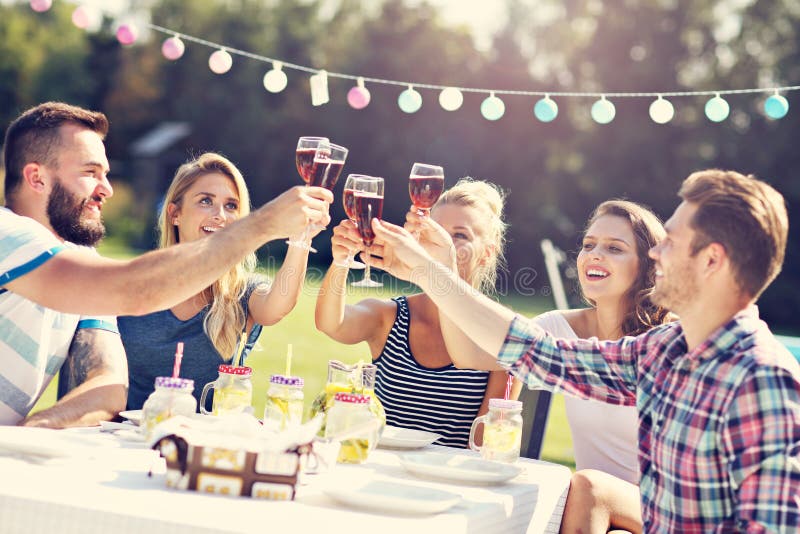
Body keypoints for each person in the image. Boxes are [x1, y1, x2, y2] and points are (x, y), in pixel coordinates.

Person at [365, 169, 799, 531]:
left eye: (670, 241)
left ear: (711, 261)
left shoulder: (762, 381)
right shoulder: (663, 352)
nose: (657, 253)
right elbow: (536, 352)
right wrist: (430, 270)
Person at [0, 102, 331, 427]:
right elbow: (136, 290)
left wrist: (28, 436)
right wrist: (262, 225)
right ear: (37, 178)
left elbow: (108, 384)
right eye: (90, 172)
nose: (108, 189)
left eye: (106, 174)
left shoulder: (85, 266)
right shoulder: (7, 233)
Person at [315, 178, 509, 448]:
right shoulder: (391, 316)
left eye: (459, 236)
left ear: (486, 254)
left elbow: (485, 443)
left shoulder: (501, 335)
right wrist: (342, 259)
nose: (445, 246)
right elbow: (330, 324)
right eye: (436, 234)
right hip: (378, 472)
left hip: (449, 481)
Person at [119, 153, 314, 410]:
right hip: (126, 440)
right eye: (206, 201)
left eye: (231, 206)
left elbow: (278, 306)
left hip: (205, 444)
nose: (220, 215)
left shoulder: (242, 292)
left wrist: (302, 237)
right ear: (175, 214)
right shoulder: (132, 283)